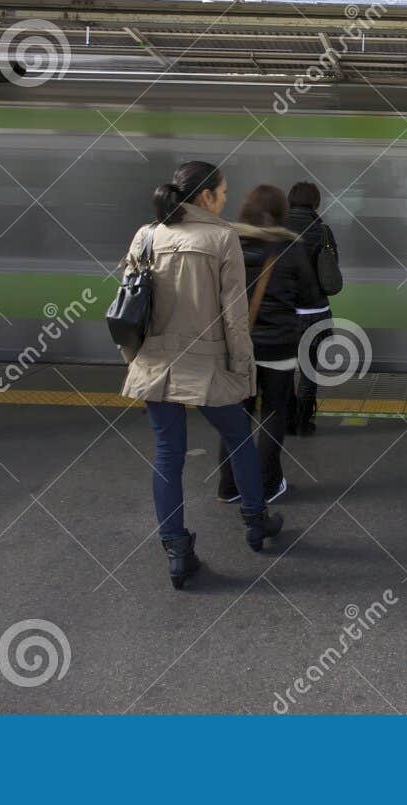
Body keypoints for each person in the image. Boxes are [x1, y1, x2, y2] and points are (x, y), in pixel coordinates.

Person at [117, 161, 284, 590]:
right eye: (223, 192)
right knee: (239, 439)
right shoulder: (222, 238)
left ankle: (177, 553)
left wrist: (135, 359)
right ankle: (256, 522)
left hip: (156, 364)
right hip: (207, 364)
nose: (226, 199)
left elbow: (126, 306)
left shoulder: (146, 235)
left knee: (167, 456)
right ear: (206, 196)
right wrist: (243, 367)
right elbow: (234, 316)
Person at [218, 185, 316, 503]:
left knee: (237, 415)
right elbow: (310, 297)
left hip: (237, 343)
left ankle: (229, 486)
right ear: (280, 213)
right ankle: (268, 485)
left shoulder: (227, 242)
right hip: (278, 345)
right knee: (274, 412)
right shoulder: (291, 248)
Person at [285, 181, 343, 436]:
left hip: (284, 313)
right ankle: (303, 422)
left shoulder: (277, 231)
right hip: (315, 312)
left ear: (290, 201)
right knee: (309, 371)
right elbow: (331, 271)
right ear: (315, 203)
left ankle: (287, 420)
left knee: (284, 371)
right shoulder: (323, 231)